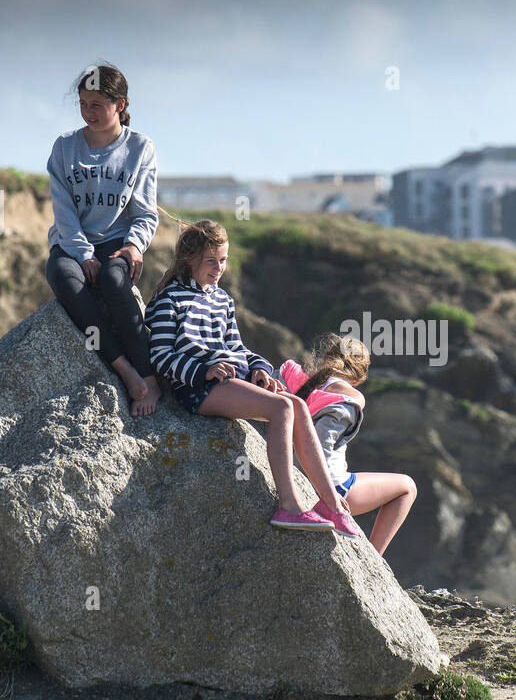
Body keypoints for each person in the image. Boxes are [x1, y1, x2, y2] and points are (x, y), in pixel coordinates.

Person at [144, 219, 363, 536]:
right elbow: (161, 356)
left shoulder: (221, 299)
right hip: (197, 387)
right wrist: (203, 371)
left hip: (232, 381)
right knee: (281, 409)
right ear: (188, 259)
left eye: (223, 260)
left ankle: (331, 503)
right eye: (210, 261)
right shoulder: (170, 299)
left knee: (298, 407)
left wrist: (259, 367)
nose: (219, 268)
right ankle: (288, 506)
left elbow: (237, 347)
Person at [45, 63, 160, 416]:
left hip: (117, 240)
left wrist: (135, 246)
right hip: (70, 240)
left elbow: (145, 211)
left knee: (113, 282)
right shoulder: (65, 147)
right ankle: (125, 369)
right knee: (67, 280)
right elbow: (63, 210)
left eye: (96, 104)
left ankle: (151, 377)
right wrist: (82, 254)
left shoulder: (141, 148)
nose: (88, 111)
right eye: (83, 103)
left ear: (119, 105)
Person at [277, 334, 417, 555]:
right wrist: (327, 494)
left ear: (326, 359)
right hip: (330, 485)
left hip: (283, 471)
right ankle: (373, 559)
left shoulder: (293, 377)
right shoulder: (350, 397)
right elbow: (321, 443)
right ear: (359, 376)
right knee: (407, 487)